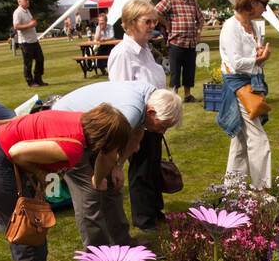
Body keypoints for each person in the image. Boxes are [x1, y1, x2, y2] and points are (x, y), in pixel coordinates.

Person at [0, 104, 137, 261]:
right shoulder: (73, 147)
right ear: (106, 140)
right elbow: (16, 152)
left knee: (37, 222)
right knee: (26, 226)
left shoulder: (80, 121)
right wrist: (39, 174)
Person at [52, 80, 182, 244]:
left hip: (93, 129)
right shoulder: (131, 111)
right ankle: (99, 255)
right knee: (89, 193)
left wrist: (118, 166)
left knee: (112, 186)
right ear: (151, 112)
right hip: (66, 130)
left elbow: (136, 137)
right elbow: (107, 153)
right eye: (163, 126)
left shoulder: (151, 95)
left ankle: (122, 241)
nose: (163, 132)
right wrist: (99, 178)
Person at [108, 0, 170, 230]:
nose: (152, 25)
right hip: (137, 122)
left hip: (153, 120)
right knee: (141, 168)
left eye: (154, 21)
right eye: (147, 21)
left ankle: (155, 211)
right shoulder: (123, 54)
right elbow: (121, 92)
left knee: (153, 165)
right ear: (131, 23)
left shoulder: (145, 50)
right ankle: (144, 218)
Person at [217, 0, 272, 190]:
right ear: (252, 1)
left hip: (252, 84)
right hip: (238, 86)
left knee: (240, 138)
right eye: (263, 3)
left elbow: (251, 60)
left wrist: (261, 57)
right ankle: (262, 189)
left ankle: (233, 188)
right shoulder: (232, 26)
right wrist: (257, 60)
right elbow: (236, 63)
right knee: (259, 140)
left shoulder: (253, 26)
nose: (265, 8)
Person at [156, 0, 204, 103]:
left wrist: (198, 32)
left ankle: (188, 95)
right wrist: (166, 24)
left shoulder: (193, 1)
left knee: (189, 70)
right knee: (175, 72)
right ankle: (174, 97)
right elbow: (156, 11)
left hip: (191, 43)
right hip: (176, 42)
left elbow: (201, 19)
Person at [13, 0, 47, 88]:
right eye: (26, 0)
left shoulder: (27, 11)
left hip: (33, 40)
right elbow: (16, 26)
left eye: (28, 0)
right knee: (28, 63)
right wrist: (29, 25)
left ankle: (38, 79)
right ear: (20, 2)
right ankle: (30, 82)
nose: (28, 2)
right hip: (25, 42)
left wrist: (33, 23)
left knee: (40, 59)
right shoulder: (18, 12)